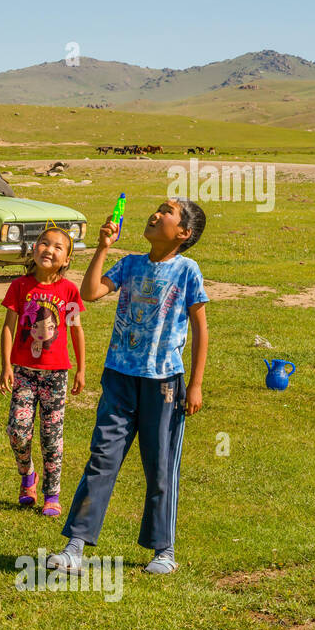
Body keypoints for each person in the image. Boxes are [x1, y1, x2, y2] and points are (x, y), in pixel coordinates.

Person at [45, 197, 209, 576]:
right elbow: (89, 293)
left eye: (166, 212)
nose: (155, 214)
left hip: (164, 383)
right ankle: (75, 547)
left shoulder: (188, 271)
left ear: (183, 233)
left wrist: (196, 384)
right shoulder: (131, 263)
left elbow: (200, 329)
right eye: (157, 208)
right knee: (102, 459)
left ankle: (163, 550)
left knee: (160, 466)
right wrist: (103, 248)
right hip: (119, 377)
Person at [0, 227, 86, 517]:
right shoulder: (19, 286)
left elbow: (76, 329)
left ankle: (52, 494)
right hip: (24, 373)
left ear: (67, 258)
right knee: (18, 432)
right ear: (34, 249)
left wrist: (81, 369)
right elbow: (9, 327)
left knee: (52, 438)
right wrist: (6, 366)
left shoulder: (70, 290)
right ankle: (28, 475)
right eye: (44, 243)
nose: (49, 250)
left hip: (56, 375)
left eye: (58, 247)